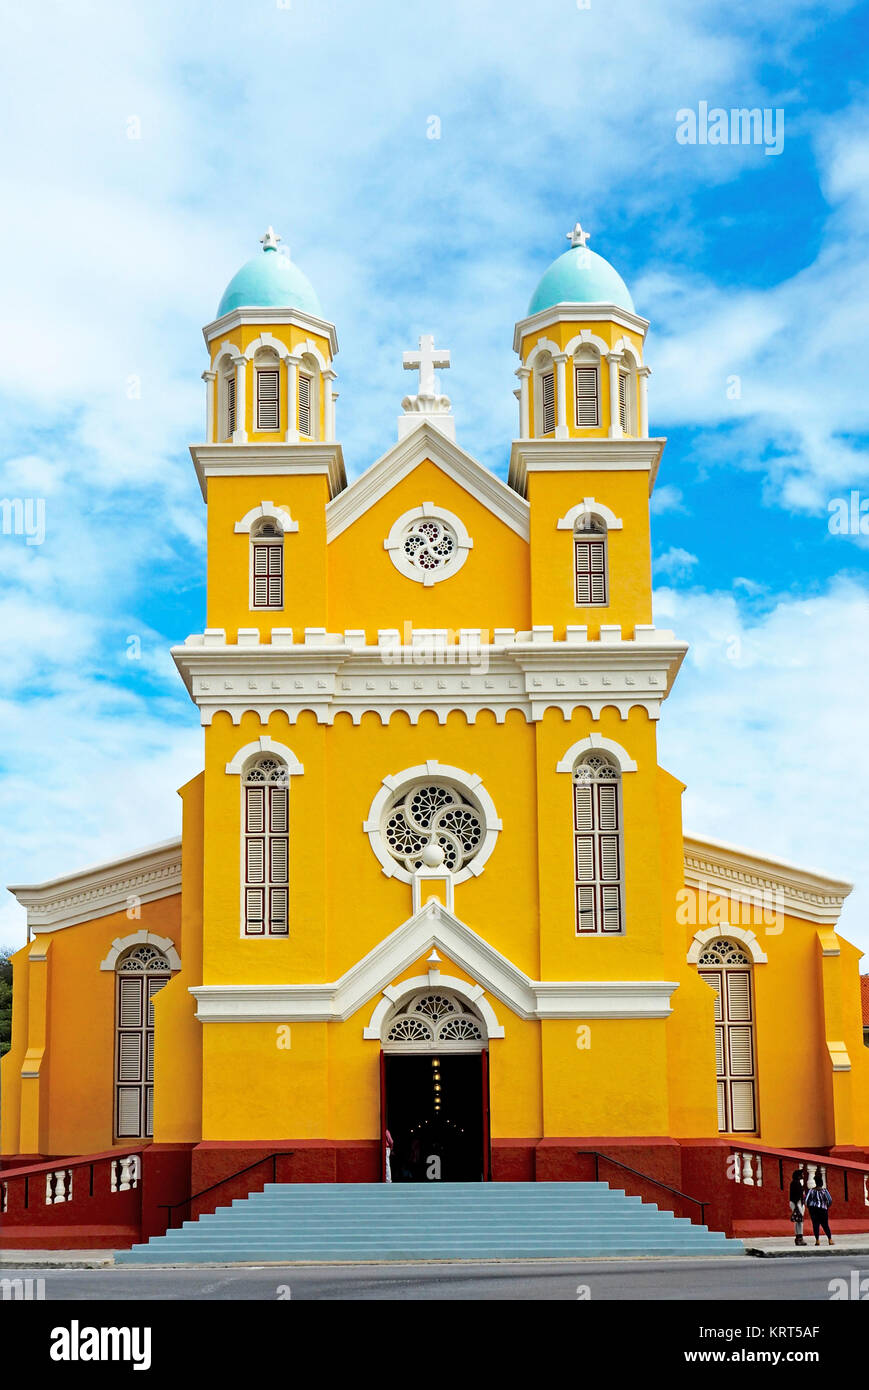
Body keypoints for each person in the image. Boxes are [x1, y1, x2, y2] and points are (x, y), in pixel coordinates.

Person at [805, 1172, 834, 1246]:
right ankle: (830, 1239)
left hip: (813, 1210)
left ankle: (817, 1240)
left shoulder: (811, 1191)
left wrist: (809, 1207)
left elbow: (806, 1200)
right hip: (823, 1209)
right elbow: (829, 1200)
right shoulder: (824, 1191)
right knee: (825, 1225)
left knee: (815, 1224)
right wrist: (826, 1206)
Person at [788, 1168, 806, 1246]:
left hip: (795, 1203)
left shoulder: (794, 1183)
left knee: (797, 1221)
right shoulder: (797, 1183)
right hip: (797, 1203)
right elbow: (797, 1195)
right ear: (799, 1176)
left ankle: (798, 1238)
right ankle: (800, 1238)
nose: (803, 1175)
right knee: (800, 1221)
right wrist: (798, 1206)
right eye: (802, 1174)